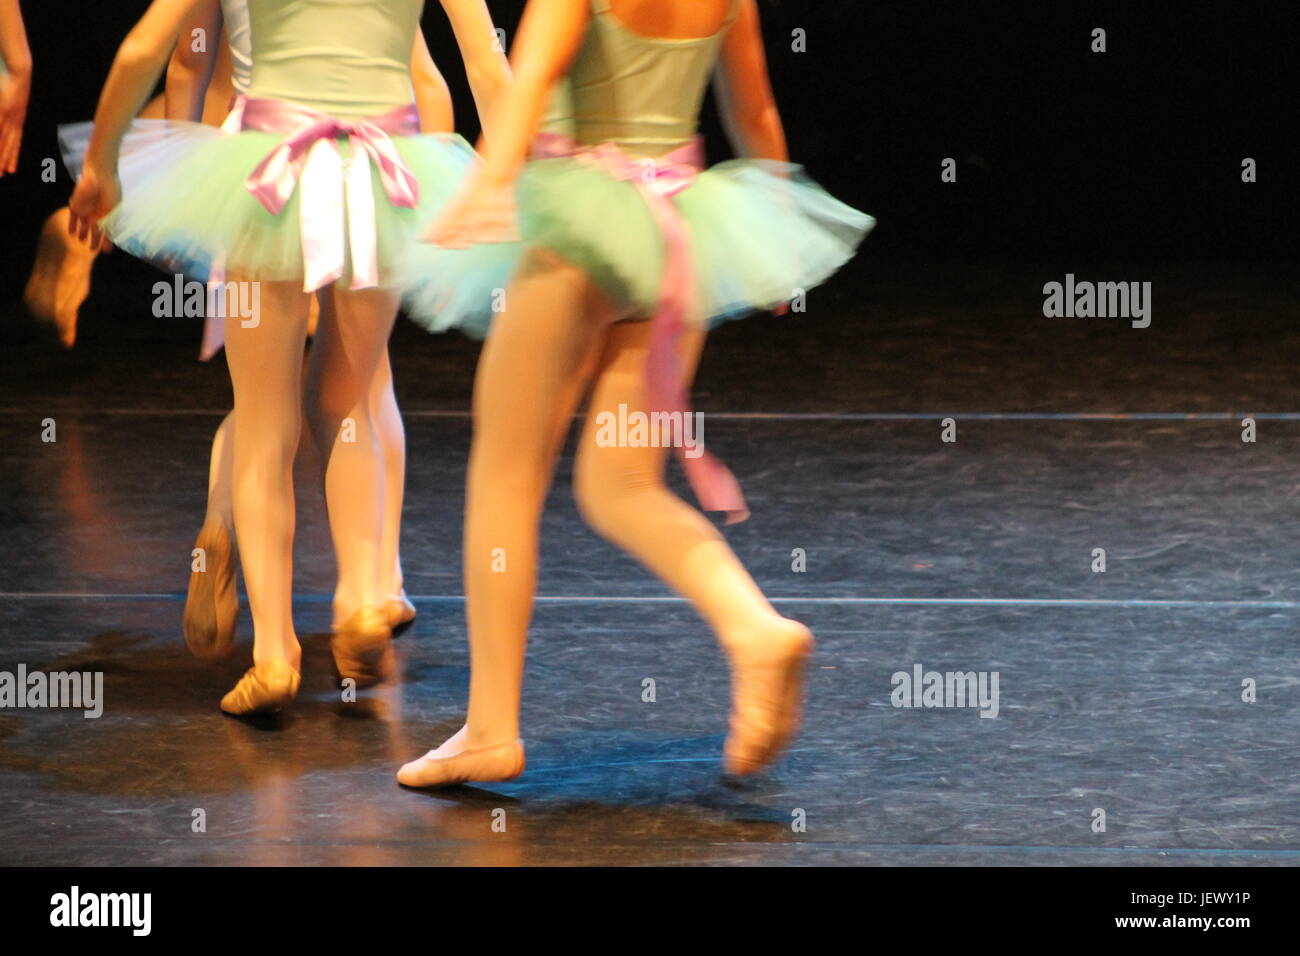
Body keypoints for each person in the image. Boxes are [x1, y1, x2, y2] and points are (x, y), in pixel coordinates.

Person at [396, 0, 872, 787]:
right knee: (620, 484)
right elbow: (751, 106)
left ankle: (490, 728)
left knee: (505, 475)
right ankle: (753, 627)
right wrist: (780, 218)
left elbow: (534, 77)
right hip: (680, 235)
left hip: (579, 233)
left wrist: (494, 179)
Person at [67, 0, 508, 716]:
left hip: (267, 176)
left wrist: (100, 167)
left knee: (264, 423)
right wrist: (503, 180)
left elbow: (149, 47)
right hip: (382, 177)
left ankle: (274, 653)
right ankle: (362, 591)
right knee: (350, 398)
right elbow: (485, 65)